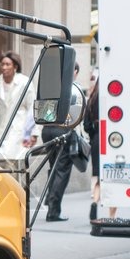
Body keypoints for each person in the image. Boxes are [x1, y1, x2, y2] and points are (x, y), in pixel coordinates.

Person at [40, 62, 80, 222]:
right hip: (62, 130)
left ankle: (50, 200)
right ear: (74, 71)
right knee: (62, 170)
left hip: (47, 130)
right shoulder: (74, 89)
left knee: (54, 167)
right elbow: (75, 116)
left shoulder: (51, 87)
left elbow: (43, 113)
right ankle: (53, 210)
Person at [0, 51, 40, 172]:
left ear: (15, 67)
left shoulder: (24, 82)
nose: (4, 67)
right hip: (1, 132)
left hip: (19, 133)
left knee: (15, 173)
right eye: (2, 64)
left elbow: (32, 107)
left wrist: (33, 133)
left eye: (8, 64)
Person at [84, 68, 117, 220]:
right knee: (114, 176)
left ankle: (95, 202)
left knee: (99, 176)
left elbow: (86, 124)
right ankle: (112, 215)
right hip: (111, 139)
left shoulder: (92, 99)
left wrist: (93, 135)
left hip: (97, 139)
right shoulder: (112, 99)